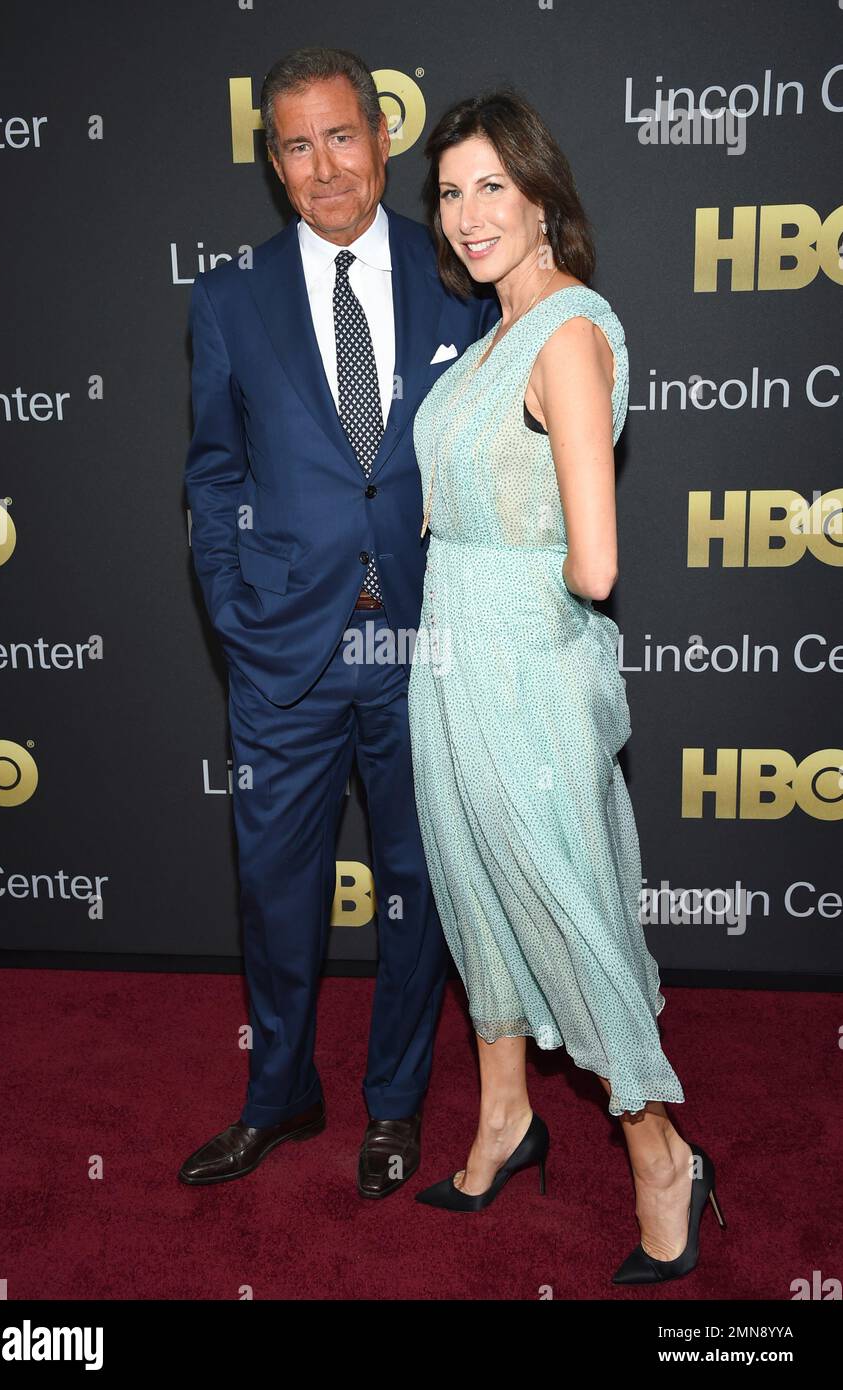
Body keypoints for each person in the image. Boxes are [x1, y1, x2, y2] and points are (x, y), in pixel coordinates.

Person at [406, 89, 726, 1284]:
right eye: (449, 191)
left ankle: (660, 1149)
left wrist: (501, 573)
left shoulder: (567, 332)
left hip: (521, 664)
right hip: (451, 658)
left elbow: (594, 560)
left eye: (492, 184)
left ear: (542, 195)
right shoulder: (488, 335)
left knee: (563, 909)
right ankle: (504, 1115)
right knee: (477, 896)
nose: (469, 212)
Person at [178, 47, 500, 1199]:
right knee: (275, 892)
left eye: (341, 136)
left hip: (420, 648)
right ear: (273, 162)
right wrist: (234, 611)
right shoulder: (227, 298)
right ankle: (280, 1096)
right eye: (296, 145)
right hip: (286, 655)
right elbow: (214, 475)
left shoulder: (457, 274)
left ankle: (395, 1104)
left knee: (416, 889)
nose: (323, 166)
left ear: (381, 135)